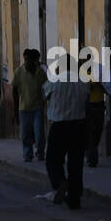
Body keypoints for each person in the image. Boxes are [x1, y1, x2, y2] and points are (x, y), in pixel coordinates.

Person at [42, 65, 90, 209]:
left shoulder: (54, 81)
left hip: (59, 125)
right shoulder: (82, 82)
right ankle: (74, 199)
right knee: (76, 164)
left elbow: (43, 95)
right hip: (78, 126)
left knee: (53, 160)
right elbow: (87, 101)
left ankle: (60, 182)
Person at [11, 48, 46, 163]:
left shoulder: (40, 73)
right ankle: (27, 154)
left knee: (39, 132)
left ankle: (40, 152)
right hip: (24, 108)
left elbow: (46, 88)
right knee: (25, 134)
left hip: (37, 107)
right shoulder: (19, 72)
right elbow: (14, 90)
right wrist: (15, 109)